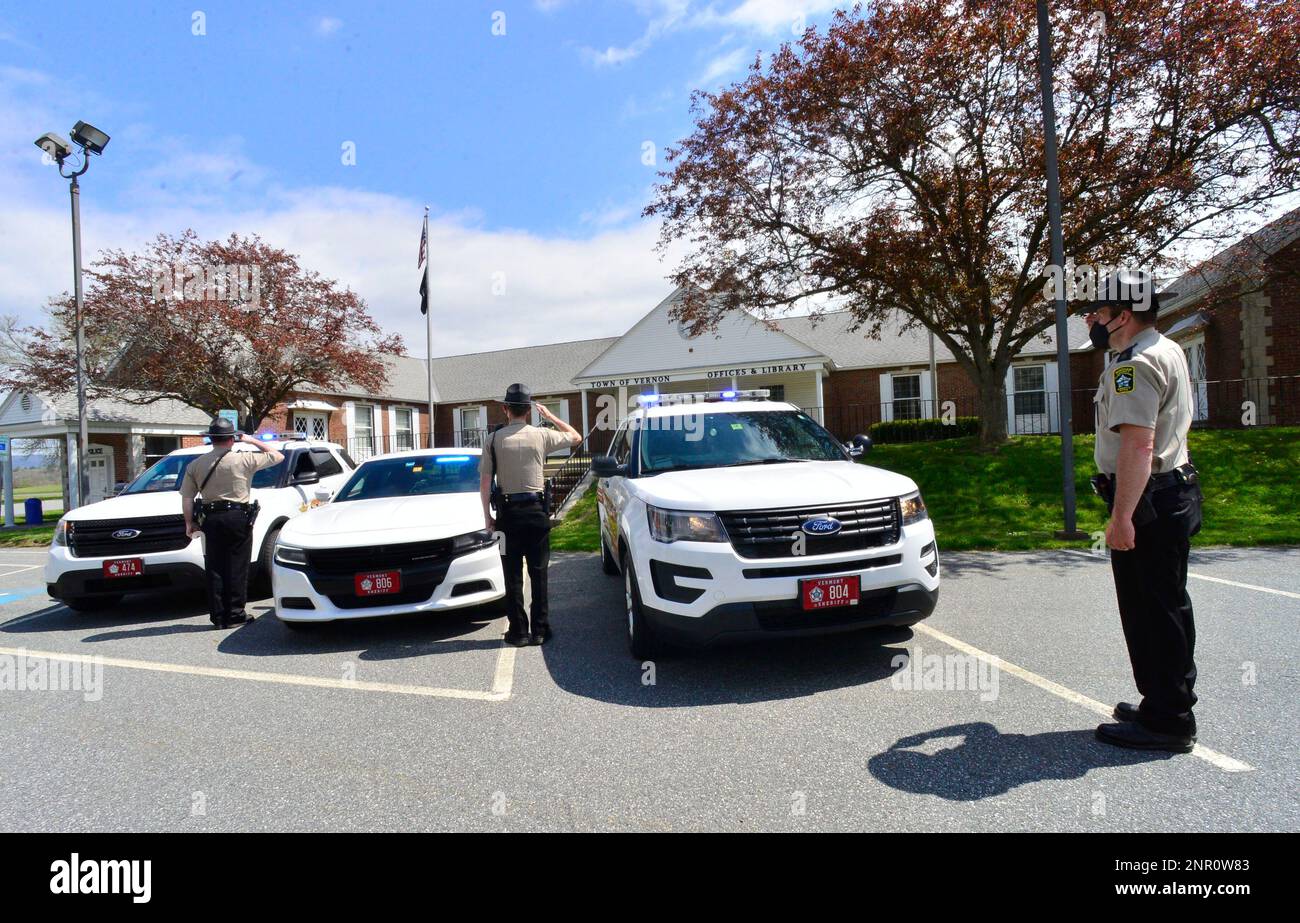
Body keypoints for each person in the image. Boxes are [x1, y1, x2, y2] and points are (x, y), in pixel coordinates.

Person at [1083, 269, 1202, 753]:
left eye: (1099, 313)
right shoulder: (1166, 347)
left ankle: (1169, 721)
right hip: (1171, 491)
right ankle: (1163, 702)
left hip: (1147, 498)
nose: (1091, 320)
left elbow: (1137, 444)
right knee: (1165, 604)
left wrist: (1122, 517)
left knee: (1151, 610)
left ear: (1123, 317)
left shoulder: (1132, 365)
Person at [480, 384, 582, 646]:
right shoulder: (542, 435)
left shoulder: (492, 440)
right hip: (536, 514)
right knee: (539, 574)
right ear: (529, 410)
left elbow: (484, 484)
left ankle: (519, 632)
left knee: (511, 575)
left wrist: (487, 519)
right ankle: (540, 630)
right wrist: (551, 417)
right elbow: (575, 437)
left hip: (506, 517)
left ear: (505, 409)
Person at [181, 418, 284, 629]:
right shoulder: (244, 459)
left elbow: (187, 498)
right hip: (238, 517)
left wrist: (189, 523)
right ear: (232, 439)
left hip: (210, 518)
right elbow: (278, 456)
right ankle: (235, 614)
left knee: (215, 567)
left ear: (210, 438)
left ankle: (218, 617)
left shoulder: (195, 464)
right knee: (237, 566)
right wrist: (251, 440)